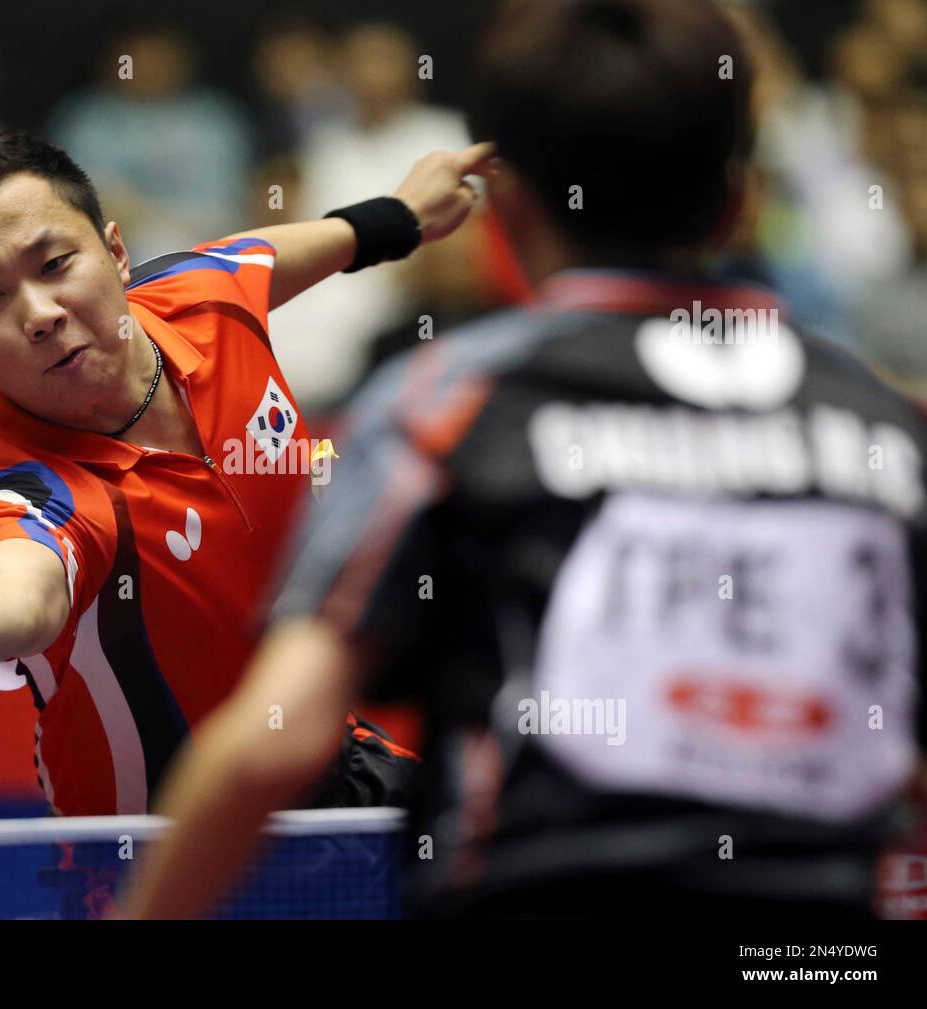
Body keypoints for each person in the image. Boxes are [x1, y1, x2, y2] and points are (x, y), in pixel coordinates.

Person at [120, 0, 927, 919]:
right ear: (743, 201)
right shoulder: (884, 426)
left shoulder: (447, 404)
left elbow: (277, 738)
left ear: (507, 211)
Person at [0, 128, 492, 815]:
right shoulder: (36, 487)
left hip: (318, 772)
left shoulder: (204, 291)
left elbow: (279, 253)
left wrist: (403, 214)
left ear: (115, 251)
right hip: (153, 853)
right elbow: (13, 589)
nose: (41, 314)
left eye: (54, 263)